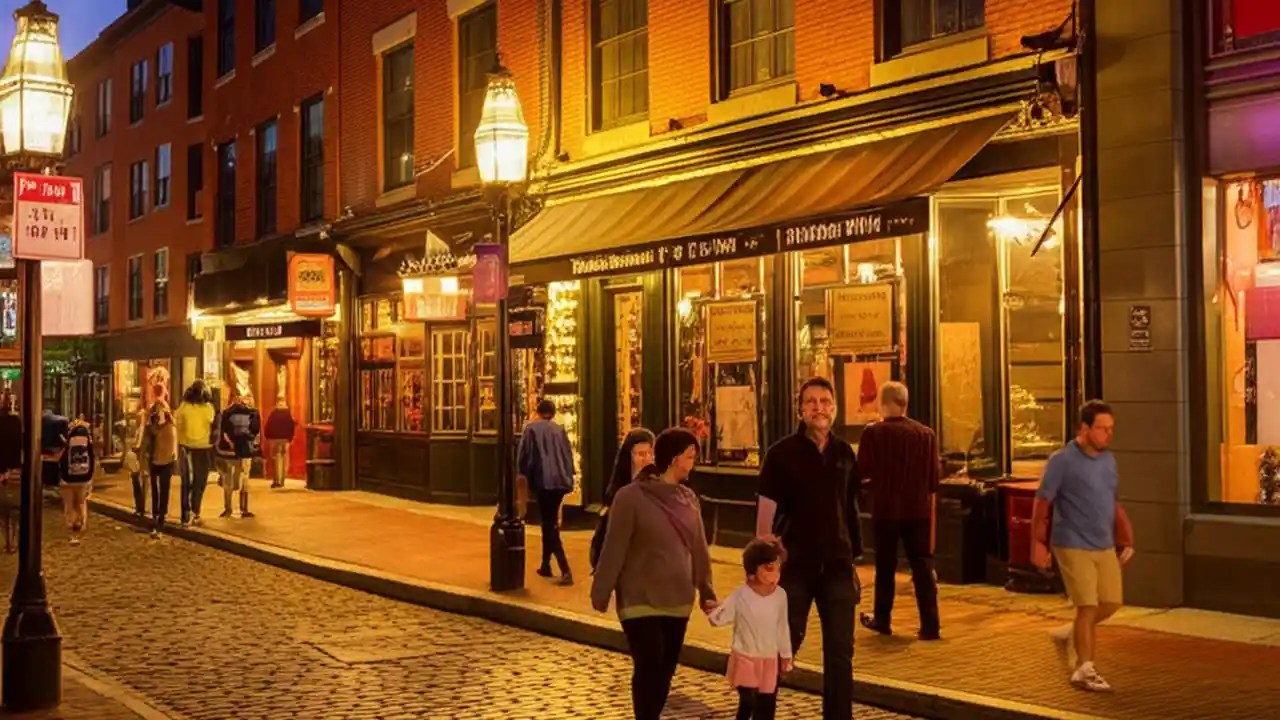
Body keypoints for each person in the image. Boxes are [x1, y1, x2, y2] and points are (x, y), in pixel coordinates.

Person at [591, 428, 717, 720]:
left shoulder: (688, 499)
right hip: (639, 598)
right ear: (674, 459)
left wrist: (706, 590)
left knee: (665, 671)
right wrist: (602, 589)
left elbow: (699, 548)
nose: (693, 463)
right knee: (649, 665)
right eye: (690, 457)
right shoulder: (630, 498)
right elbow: (614, 548)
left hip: (678, 599)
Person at [755, 377, 860, 720]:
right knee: (782, 646)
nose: (819, 407)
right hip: (794, 564)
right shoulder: (781, 454)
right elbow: (766, 509)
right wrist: (762, 560)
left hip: (837, 565)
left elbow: (849, 507)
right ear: (800, 409)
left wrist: (854, 559)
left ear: (834, 407)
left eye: (825, 401)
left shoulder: (844, 453)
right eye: (811, 402)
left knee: (840, 654)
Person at [1033, 400, 1135, 693]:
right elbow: (1043, 503)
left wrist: (1125, 534)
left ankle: (1073, 632)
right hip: (1072, 542)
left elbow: (1112, 501)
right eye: (1102, 428)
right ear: (1084, 428)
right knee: (1087, 605)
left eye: (1111, 429)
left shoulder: (1108, 461)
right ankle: (1084, 669)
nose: (1107, 434)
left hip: (1102, 542)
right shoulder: (1062, 460)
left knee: (1111, 601)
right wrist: (1038, 543)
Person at [856, 381, 942, 640]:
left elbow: (862, 473)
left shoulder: (873, 433)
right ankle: (930, 625)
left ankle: (883, 619)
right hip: (918, 511)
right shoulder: (926, 435)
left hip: (886, 510)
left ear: (884, 403)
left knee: (885, 567)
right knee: (922, 567)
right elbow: (933, 481)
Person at [708, 538, 794, 720]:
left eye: (778, 568)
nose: (775, 574)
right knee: (748, 700)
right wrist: (714, 609)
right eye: (769, 568)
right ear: (753, 570)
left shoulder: (780, 596)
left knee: (766, 701)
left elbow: (782, 627)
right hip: (745, 656)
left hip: (769, 659)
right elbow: (720, 617)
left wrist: (786, 655)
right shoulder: (742, 595)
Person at [517, 399, 577, 586]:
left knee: (549, 525)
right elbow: (568, 454)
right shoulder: (559, 430)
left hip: (544, 481)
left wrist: (524, 475)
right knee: (548, 522)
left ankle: (565, 568)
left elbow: (524, 456)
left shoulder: (531, 429)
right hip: (560, 481)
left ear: (538, 411)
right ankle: (545, 565)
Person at [590, 427, 656, 574]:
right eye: (641, 454)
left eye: (650, 454)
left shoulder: (659, 485)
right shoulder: (619, 490)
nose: (647, 459)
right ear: (629, 457)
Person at [175, 381, 216, 527]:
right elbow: (211, 420)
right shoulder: (208, 408)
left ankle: (185, 515)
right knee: (200, 482)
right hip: (203, 448)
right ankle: (195, 511)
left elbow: (177, 423)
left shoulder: (183, 407)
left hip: (186, 448)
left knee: (186, 482)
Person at [217, 393, 260, 519]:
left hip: (229, 451)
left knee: (228, 480)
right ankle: (244, 508)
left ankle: (228, 508)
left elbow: (223, 431)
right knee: (245, 478)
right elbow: (255, 431)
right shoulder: (252, 413)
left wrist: (230, 443)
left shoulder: (226, 413)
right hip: (245, 449)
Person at [139, 401, 178, 537]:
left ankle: (161, 516)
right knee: (156, 489)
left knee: (164, 489)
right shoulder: (152, 427)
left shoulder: (170, 425)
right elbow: (146, 445)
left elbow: (174, 443)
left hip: (166, 461)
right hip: (155, 461)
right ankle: (156, 515)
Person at [58, 418, 95, 545]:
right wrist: (89, 476)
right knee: (81, 502)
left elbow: (62, 459)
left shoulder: (68, 440)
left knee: (69, 505)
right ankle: (81, 525)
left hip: (68, 479)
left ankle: (71, 529)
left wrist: (62, 475)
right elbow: (92, 458)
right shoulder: (87, 440)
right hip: (83, 477)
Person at [263, 399, 298, 489]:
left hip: (274, 439)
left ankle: (277, 480)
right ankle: (282, 479)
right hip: (284, 440)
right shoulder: (288, 415)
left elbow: (268, 427)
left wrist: (267, 437)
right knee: (283, 459)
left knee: (276, 460)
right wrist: (290, 439)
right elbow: (291, 428)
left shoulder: (273, 414)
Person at [40, 407, 70, 497]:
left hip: (48, 445)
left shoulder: (45, 420)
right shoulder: (60, 420)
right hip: (54, 445)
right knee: (54, 463)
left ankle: (49, 483)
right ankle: (52, 483)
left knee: (49, 463)